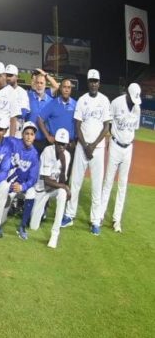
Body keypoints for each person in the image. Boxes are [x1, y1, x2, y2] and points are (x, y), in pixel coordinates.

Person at [64, 69, 111, 232]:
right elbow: (77, 125)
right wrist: (85, 145)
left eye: (96, 81)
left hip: (97, 148)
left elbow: (106, 126)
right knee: (75, 182)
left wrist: (93, 145)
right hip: (82, 148)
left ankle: (95, 220)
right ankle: (69, 215)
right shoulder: (82, 100)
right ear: (88, 82)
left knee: (97, 186)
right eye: (91, 80)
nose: (93, 83)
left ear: (99, 83)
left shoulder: (105, 101)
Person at [94, 83, 141, 233]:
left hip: (128, 148)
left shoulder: (137, 107)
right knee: (108, 182)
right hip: (115, 145)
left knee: (123, 184)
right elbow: (108, 123)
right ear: (127, 93)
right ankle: (100, 215)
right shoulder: (116, 103)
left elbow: (134, 128)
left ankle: (116, 220)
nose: (134, 102)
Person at [0, 123, 41, 239]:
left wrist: (23, 187)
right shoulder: (13, 142)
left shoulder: (34, 155)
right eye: (26, 134)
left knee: (31, 193)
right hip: (7, 183)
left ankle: (22, 226)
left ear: (34, 137)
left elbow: (33, 178)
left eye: (31, 134)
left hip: (20, 186)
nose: (29, 137)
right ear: (22, 135)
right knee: (1, 220)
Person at [30, 128, 72, 249]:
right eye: (59, 143)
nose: (61, 146)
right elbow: (47, 182)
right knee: (33, 226)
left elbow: (63, 180)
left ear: (67, 144)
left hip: (54, 190)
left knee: (62, 194)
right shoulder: (47, 152)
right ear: (55, 142)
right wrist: (64, 186)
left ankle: (55, 234)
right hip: (41, 190)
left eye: (63, 144)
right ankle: (42, 210)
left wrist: (64, 165)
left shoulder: (67, 156)